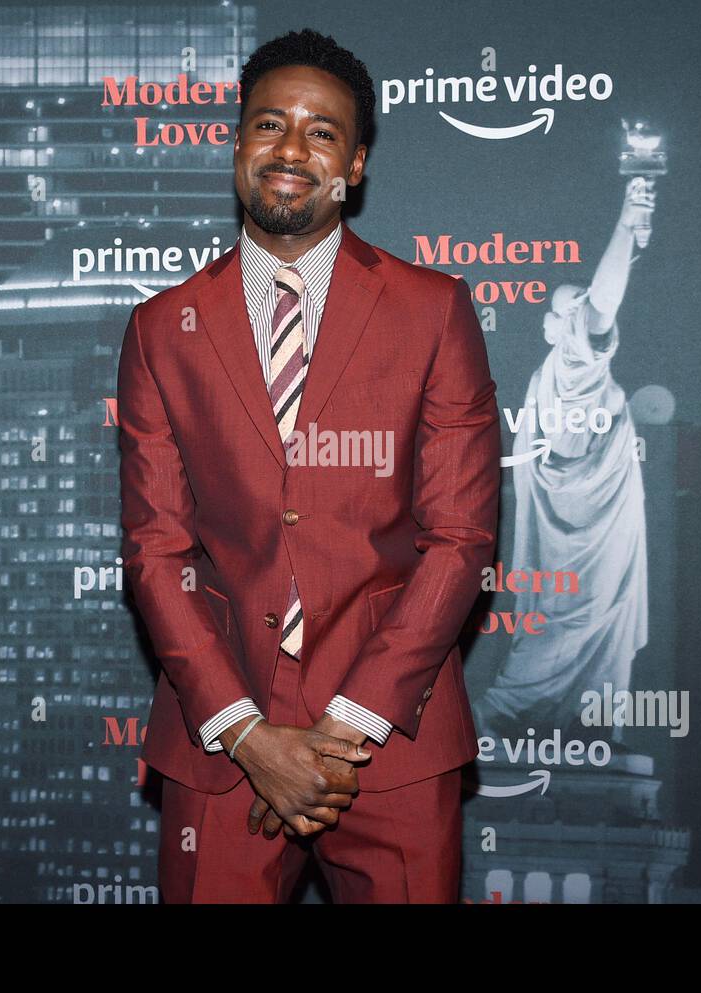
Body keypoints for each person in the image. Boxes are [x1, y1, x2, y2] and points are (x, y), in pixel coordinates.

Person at [116, 29, 500, 903]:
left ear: (355, 164)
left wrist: (343, 730)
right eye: (269, 124)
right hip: (220, 742)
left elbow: (461, 536)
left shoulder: (433, 311)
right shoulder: (160, 328)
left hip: (393, 739)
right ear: (238, 142)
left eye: (321, 132)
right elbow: (154, 551)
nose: (291, 148)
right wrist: (250, 736)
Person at [474, 178, 654, 744]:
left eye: (565, 314)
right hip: (564, 531)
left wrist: (626, 226)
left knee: (584, 616)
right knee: (562, 614)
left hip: (598, 533)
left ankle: (543, 716)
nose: (556, 320)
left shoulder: (576, 365)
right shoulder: (552, 376)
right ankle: (539, 715)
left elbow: (603, 300)